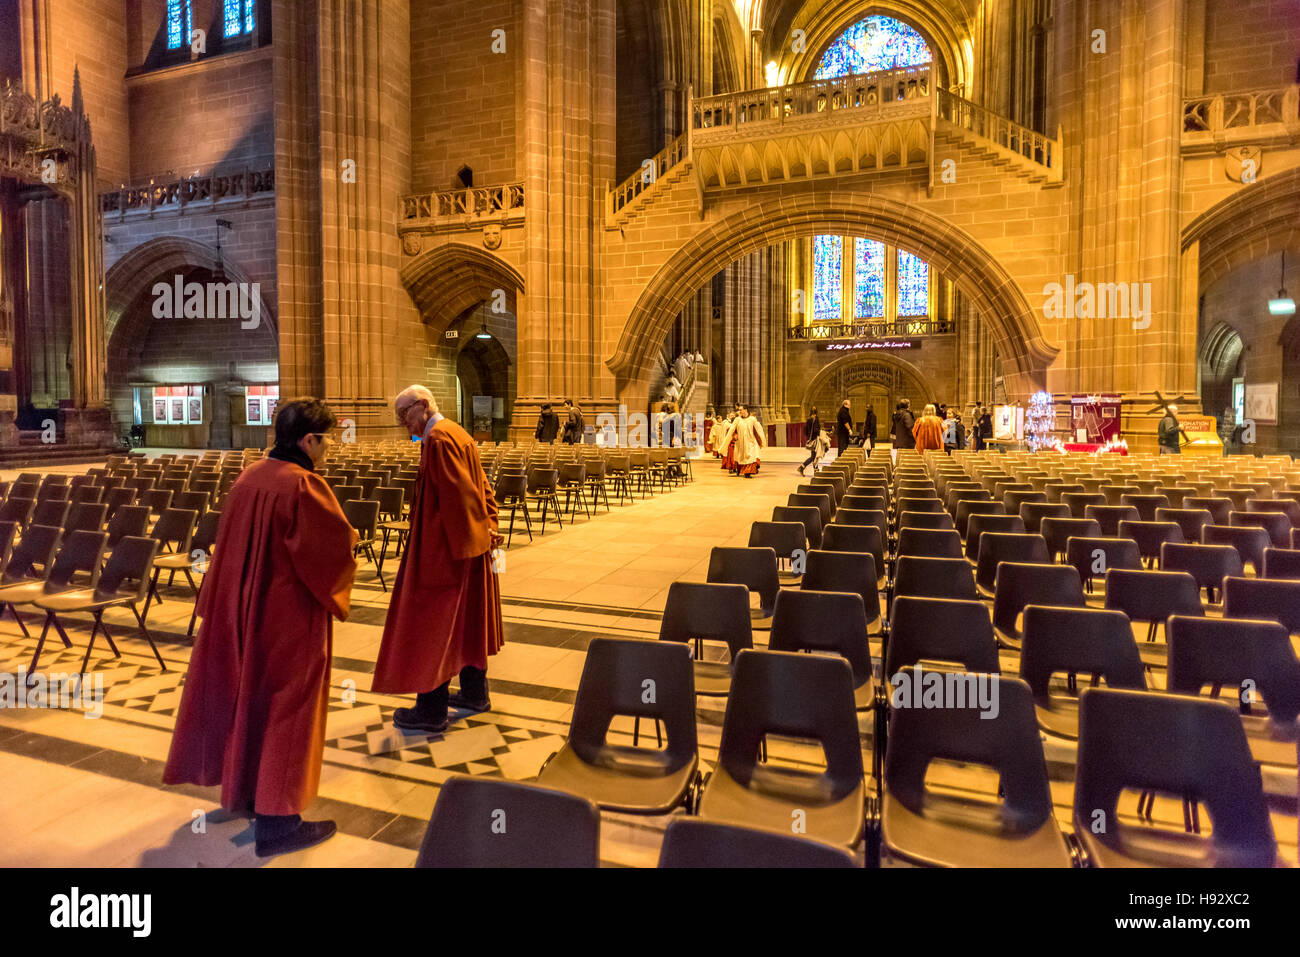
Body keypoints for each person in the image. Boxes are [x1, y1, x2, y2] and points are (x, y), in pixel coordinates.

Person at [163, 398, 358, 858]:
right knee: (289, 710)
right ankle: (279, 820)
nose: (329, 449)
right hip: (287, 619)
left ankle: (250, 795)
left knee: (248, 700)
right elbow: (329, 555)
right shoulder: (304, 485)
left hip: (241, 613)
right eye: (327, 440)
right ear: (309, 440)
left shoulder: (250, 476)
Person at [373, 386, 505, 734]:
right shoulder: (456, 432)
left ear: (423, 405)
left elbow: (459, 497)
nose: (403, 424)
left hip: (445, 552)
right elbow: (481, 489)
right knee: (466, 622)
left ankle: (431, 711)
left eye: (404, 415)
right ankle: (475, 694)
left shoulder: (439, 439)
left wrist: (472, 540)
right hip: (467, 546)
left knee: (432, 624)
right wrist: (488, 528)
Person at [729, 404, 765, 478]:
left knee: (750, 457)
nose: (739, 411)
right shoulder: (737, 420)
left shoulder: (752, 419)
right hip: (740, 443)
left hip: (750, 442)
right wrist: (734, 436)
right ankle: (739, 470)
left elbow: (756, 431)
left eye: (741, 410)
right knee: (740, 457)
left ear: (745, 410)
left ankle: (747, 473)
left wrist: (760, 442)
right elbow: (733, 430)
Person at [799, 406, 821, 476]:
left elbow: (805, 430)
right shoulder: (816, 419)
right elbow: (816, 430)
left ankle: (815, 470)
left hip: (810, 439)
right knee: (814, 456)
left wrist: (808, 437)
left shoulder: (809, 419)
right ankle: (802, 467)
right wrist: (820, 432)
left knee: (814, 456)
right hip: (815, 440)